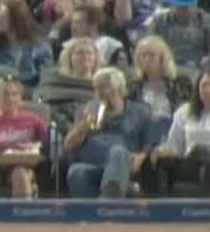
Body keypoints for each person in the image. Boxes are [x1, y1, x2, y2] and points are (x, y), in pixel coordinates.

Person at [63, 67, 158, 199]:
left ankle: (108, 204)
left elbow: (149, 144)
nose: (98, 94)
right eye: (95, 89)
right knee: (76, 171)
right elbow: (68, 146)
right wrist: (83, 126)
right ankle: (90, 214)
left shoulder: (140, 111)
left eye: (103, 88)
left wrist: (141, 158)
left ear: (119, 89)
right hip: (93, 165)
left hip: (125, 164)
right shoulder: (86, 111)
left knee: (117, 152)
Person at [0, 74, 48, 199]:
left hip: (22, 164)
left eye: (14, 94)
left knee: (19, 175)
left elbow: (44, 145)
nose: (10, 98)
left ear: (21, 98)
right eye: (5, 94)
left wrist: (34, 149)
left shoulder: (34, 120)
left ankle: (22, 215)